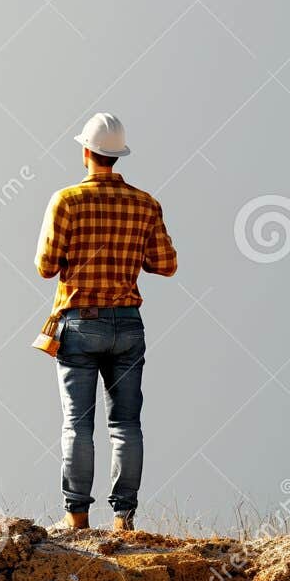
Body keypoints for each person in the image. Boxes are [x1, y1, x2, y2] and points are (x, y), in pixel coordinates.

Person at [34, 113, 178, 531]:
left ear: (85, 152)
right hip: (128, 324)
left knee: (78, 424)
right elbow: (166, 265)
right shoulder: (146, 203)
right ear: (117, 157)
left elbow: (45, 266)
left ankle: (76, 515)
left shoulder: (65, 201)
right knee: (127, 424)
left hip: (80, 322)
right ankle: (123, 519)